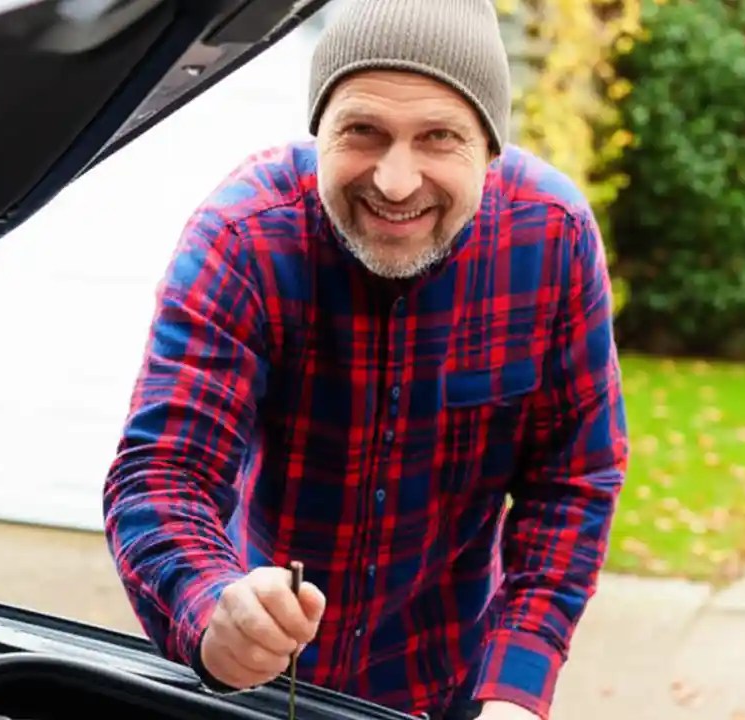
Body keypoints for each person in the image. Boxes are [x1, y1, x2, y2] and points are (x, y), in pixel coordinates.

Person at [102, 0, 629, 718]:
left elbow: (574, 477)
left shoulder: (553, 238)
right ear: (320, 130)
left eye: (440, 137)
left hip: (445, 684)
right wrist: (208, 608)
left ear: (491, 145)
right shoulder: (244, 238)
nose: (395, 181)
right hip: (258, 687)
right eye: (363, 131)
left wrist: (517, 682)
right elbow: (162, 475)